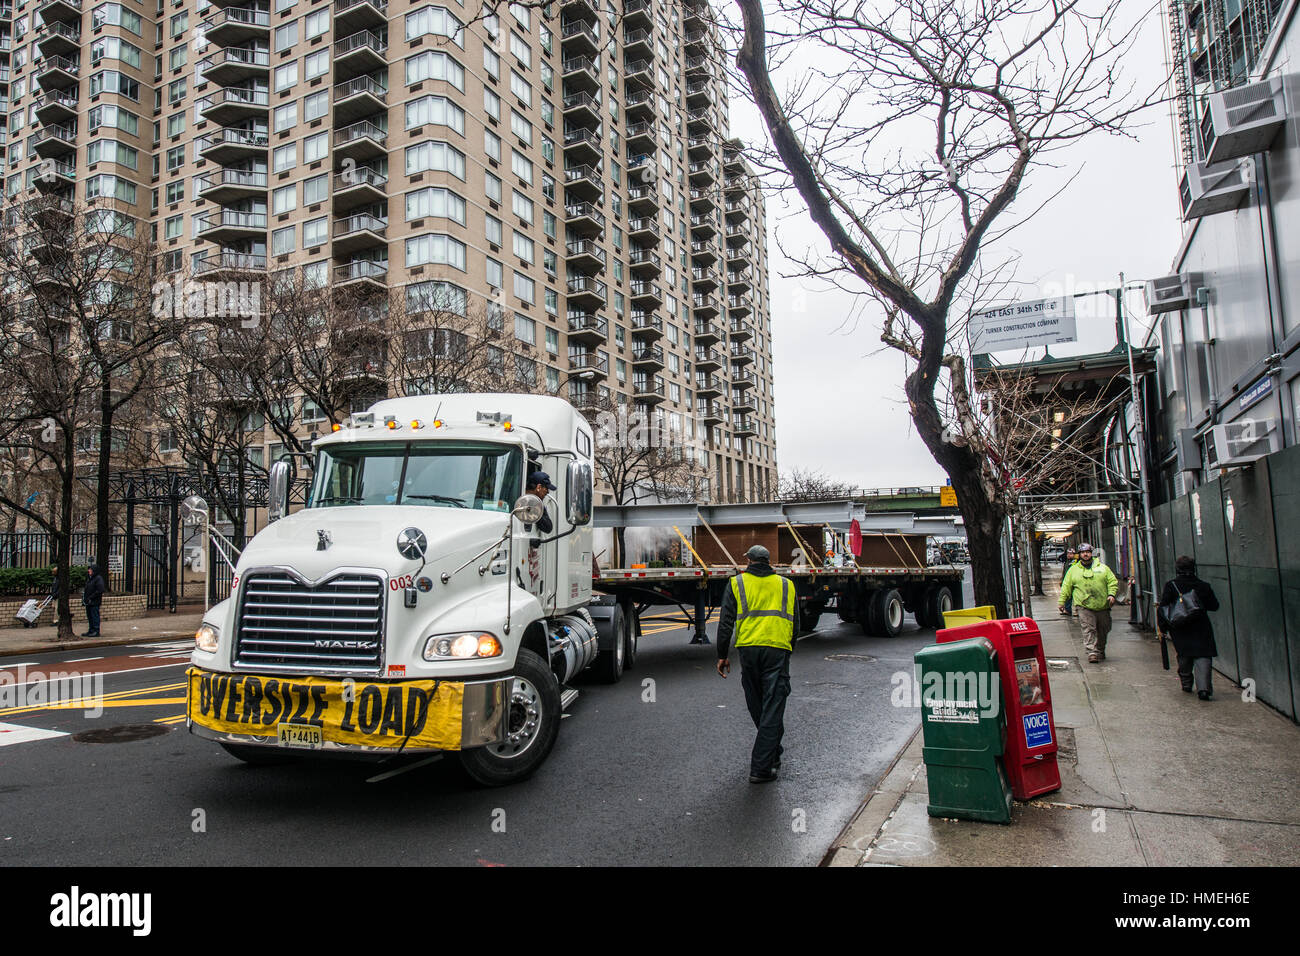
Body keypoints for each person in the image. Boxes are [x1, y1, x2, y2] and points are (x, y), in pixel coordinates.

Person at [715, 544, 801, 784]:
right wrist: (788, 649)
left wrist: (723, 655)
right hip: (777, 649)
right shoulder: (787, 585)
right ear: (767, 561)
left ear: (750, 561)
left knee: (758, 704)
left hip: (749, 650)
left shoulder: (736, 583)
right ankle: (769, 757)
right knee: (772, 707)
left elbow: (725, 623)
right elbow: (796, 624)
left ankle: (762, 766)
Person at [1158, 555, 1220, 700]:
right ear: (1194, 568)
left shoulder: (1171, 585)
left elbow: (1163, 608)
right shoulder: (1203, 586)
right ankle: (1204, 688)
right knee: (1203, 655)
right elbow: (1214, 606)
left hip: (1180, 628)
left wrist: (1163, 627)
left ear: (1177, 569)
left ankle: (1186, 683)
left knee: (1184, 655)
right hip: (1201, 626)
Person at [1059, 543, 1117, 663]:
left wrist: (1111, 594)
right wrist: (1062, 602)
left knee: (1103, 629)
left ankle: (1100, 649)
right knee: (1089, 629)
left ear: (1091, 553)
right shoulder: (1073, 571)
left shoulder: (1103, 568)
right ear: (1079, 555)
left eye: (1088, 552)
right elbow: (1066, 586)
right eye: (1083, 552)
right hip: (1083, 605)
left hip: (1102, 605)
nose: (1085, 554)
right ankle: (1092, 652)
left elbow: (1112, 582)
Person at [82, 561, 106, 637]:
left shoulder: (98, 579)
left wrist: (91, 597)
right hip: (89, 601)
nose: (89, 571)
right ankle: (91, 630)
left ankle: (96, 630)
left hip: (94, 601)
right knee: (90, 616)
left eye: (90, 570)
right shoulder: (90, 578)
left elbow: (100, 590)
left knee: (94, 616)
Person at [1059, 548, 1077, 615]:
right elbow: (1064, 572)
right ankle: (1067, 610)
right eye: (1068, 554)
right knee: (1067, 596)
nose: (1069, 555)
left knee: (1075, 596)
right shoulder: (1066, 562)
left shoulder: (1075, 562)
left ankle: (1076, 610)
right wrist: (1061, 579)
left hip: (1073, 581)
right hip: (1066, 581)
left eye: (1071, 554)